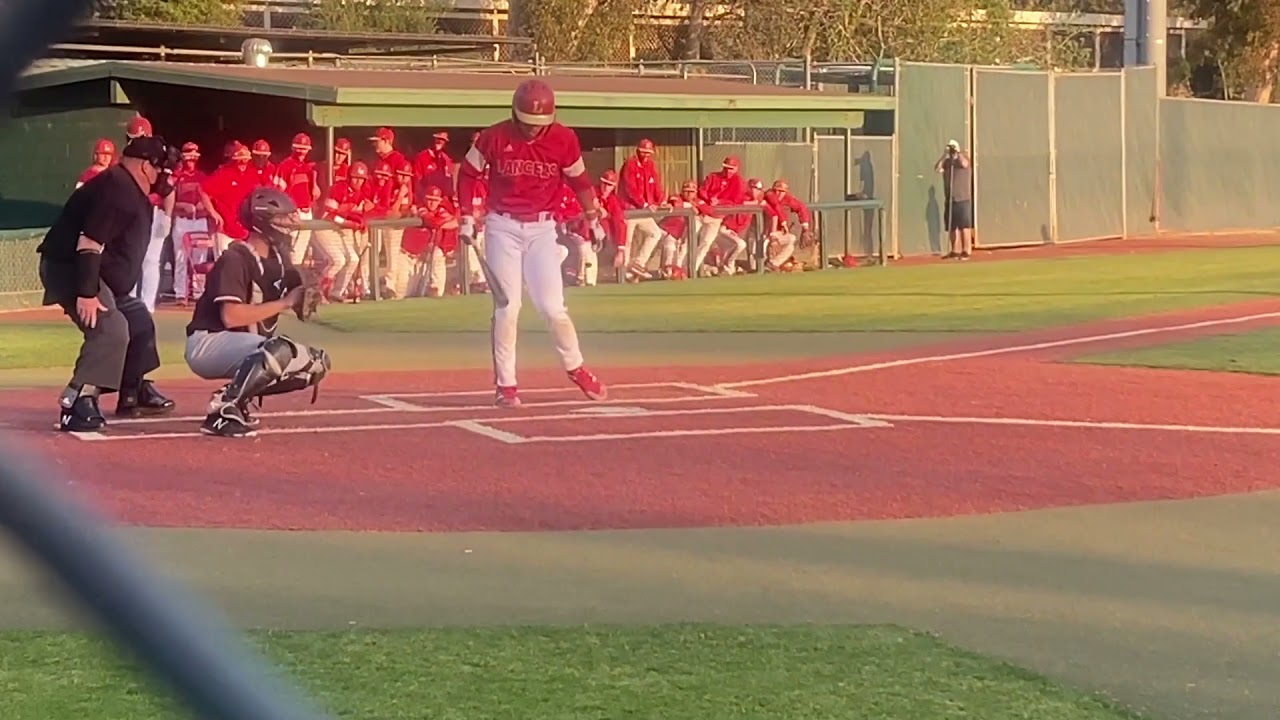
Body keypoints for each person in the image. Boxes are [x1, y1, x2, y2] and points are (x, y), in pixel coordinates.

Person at [457, 78, 607, 408]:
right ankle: (506, 385)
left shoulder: (564, 139)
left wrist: (593, 218)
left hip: (543, 229)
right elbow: (467, 174)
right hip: (502, 226)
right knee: (507, 307)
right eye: (526, 123)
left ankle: (575, 367)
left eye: (539, 124)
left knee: (553, 308)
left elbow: (579, 180)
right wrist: (466, 215)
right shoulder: (494, 137)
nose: (532, 131)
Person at [36, 136, 179, 432]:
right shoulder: (117, 188)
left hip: (99, 274)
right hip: (73, 270)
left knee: (139, 320)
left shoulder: (130, 187)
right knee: (111, 328)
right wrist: (87, 293)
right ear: (143, 166)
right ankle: (78, 400)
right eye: (159, 168)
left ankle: (132, 390)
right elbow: (89, 242)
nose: (163, 176)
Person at [183, 187, 331, 438]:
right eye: (282, 219)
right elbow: (231, 317)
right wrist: (285, 302)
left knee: (315, 364)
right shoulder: (235, 257)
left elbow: (302, 301)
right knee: (279, 349)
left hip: (244, 345)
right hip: (208, 342)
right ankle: (223, 410)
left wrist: (312, 288)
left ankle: (233, 397)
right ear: (263, 222)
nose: (289, 225)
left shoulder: (279, 259)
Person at [935, 139, 974, 260]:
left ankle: (966, 250)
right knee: (952, 226)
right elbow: (937, 168)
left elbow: (964, 164)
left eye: (953, 148)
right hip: (950, 199)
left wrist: (958, 153)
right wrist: (944, 155)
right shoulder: (947, 162)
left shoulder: (963, 159)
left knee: (964, 226)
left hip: (962, 198)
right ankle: (954, 250)